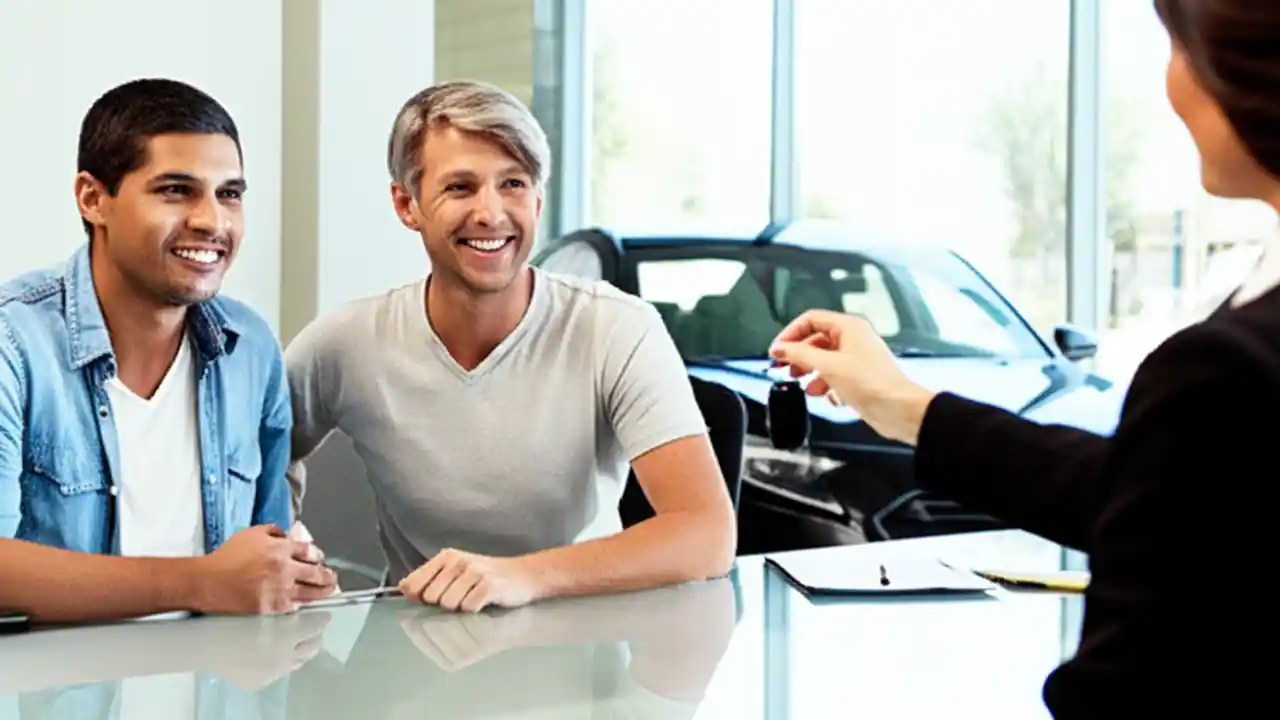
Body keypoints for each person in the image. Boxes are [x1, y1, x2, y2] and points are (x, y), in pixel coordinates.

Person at [767, 0, 1276, 716]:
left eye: (1178, 50)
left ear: (1244, 72)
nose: (1172, 83)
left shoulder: (1224, 370)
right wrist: (906, 406)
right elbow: (1158, 497)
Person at [286, 79, 736, 613]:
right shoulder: (346, 341)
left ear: (538, 199)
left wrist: (521, 578)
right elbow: (248, 459)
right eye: (460, 187)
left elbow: (706, 534)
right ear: (407, 204)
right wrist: (283, 543)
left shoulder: (615, 328)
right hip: (414, 655)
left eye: (513, 184)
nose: (491, 213)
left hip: (581, 653)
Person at [0, 78, 335, 621]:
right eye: (176, 190)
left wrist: (291, 576)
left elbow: (262, 550)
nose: (212, 221)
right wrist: (200, 583)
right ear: (93, 199)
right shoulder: (13, 344)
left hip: (218, 693)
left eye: (229, 194)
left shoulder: (250, 350)